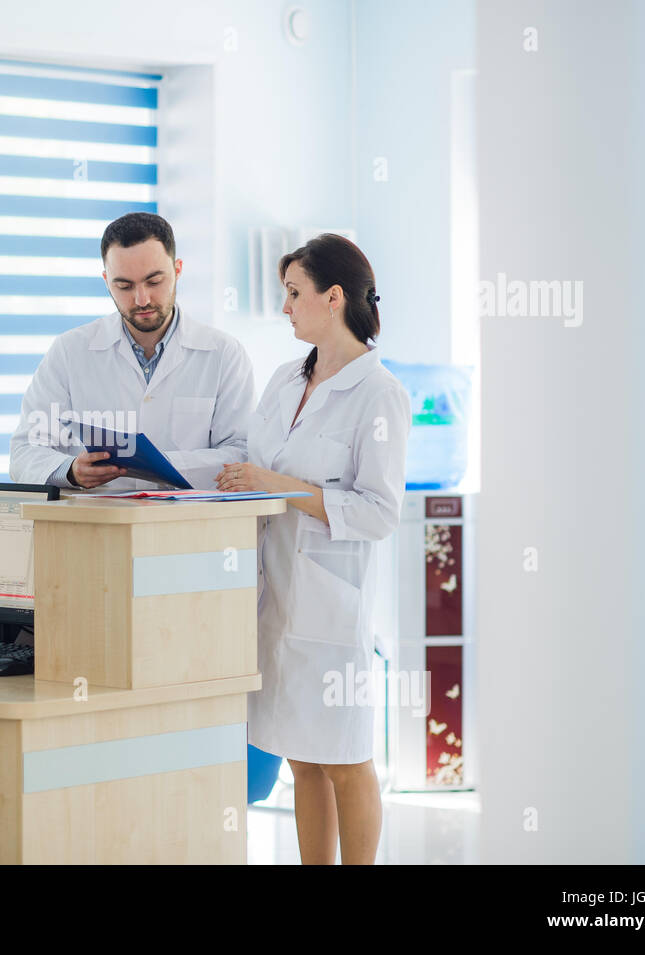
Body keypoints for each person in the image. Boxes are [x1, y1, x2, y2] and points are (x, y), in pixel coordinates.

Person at [215, 234, 410, 864]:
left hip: (331, 610)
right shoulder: (282, 380)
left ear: (333, 298)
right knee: (302, 759)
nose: (286, 308)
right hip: (276, 602)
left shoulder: (381, 395)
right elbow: (250, 464)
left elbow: (380, 513)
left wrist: (278, 486)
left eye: (294, 294)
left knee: (347, 761)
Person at [9, 212, 254, 490]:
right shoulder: (70, 351)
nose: (142, 299)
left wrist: (159, 465)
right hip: (98, 528)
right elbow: (25, 451)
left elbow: (241, 452)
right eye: (124, 286)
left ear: (177, 270)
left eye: (154, 281)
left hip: (188, 525)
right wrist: (70, 470)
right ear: (106, 281)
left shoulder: (223, 353)